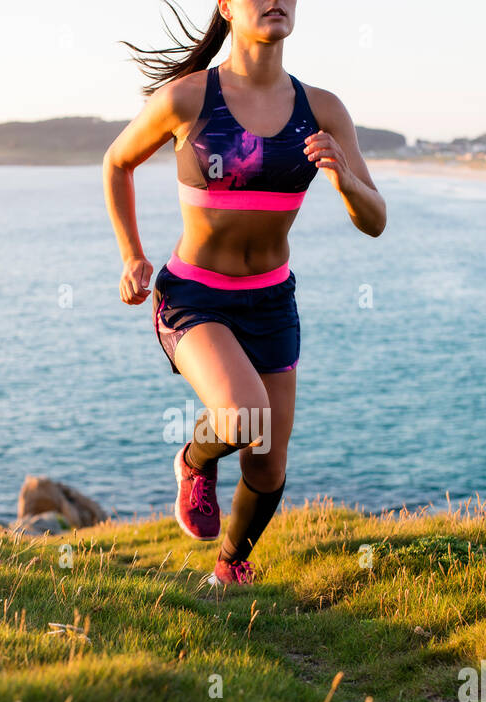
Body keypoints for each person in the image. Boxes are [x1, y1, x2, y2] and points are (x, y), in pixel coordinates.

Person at [103, 0, 386, 586]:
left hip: (273, 301)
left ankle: (230, 569)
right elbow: (117, 162)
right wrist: (132, 254)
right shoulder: (187, 98)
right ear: (227, 6)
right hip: (194, 297)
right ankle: (192, 460)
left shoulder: (323, 109)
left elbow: (375, 218)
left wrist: (343, 176)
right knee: (241, 415)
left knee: (267, 460)